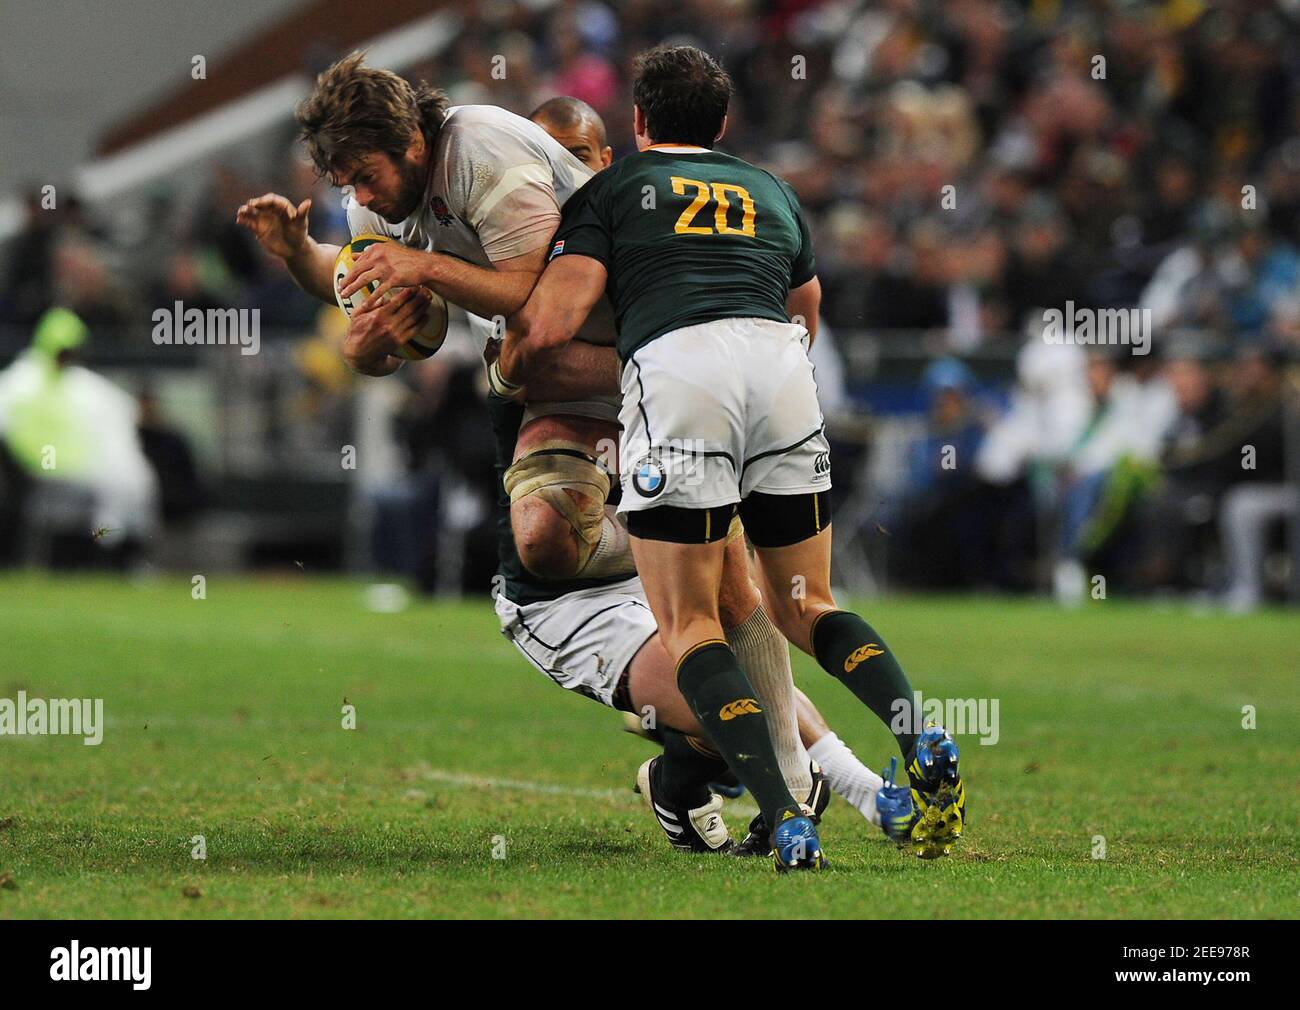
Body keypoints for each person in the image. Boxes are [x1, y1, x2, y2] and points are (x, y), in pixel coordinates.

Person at [234, 57, 836, 860]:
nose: (365, 198)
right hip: (578, 378)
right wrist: (303, 257)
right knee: (565, 542)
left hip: (649, 359)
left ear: (411, 139)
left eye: (368, 177)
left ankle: (825, 777)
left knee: (740, 597)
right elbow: (360, 287)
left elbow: (532, 297)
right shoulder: (382, 193)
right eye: (349, 183)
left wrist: (420, 272)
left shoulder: (481, 150)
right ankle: (769, 767)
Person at [501, 45, 966, 867]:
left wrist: (511, 356)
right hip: (783, 369)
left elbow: (551, 322)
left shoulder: (611, 192)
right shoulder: (771, 189)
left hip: (681, 376)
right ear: (722, 125)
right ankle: (922, 736)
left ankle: (787, 814)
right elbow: (807, 310)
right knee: (807, 604)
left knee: (691, 625)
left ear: (637, 124)